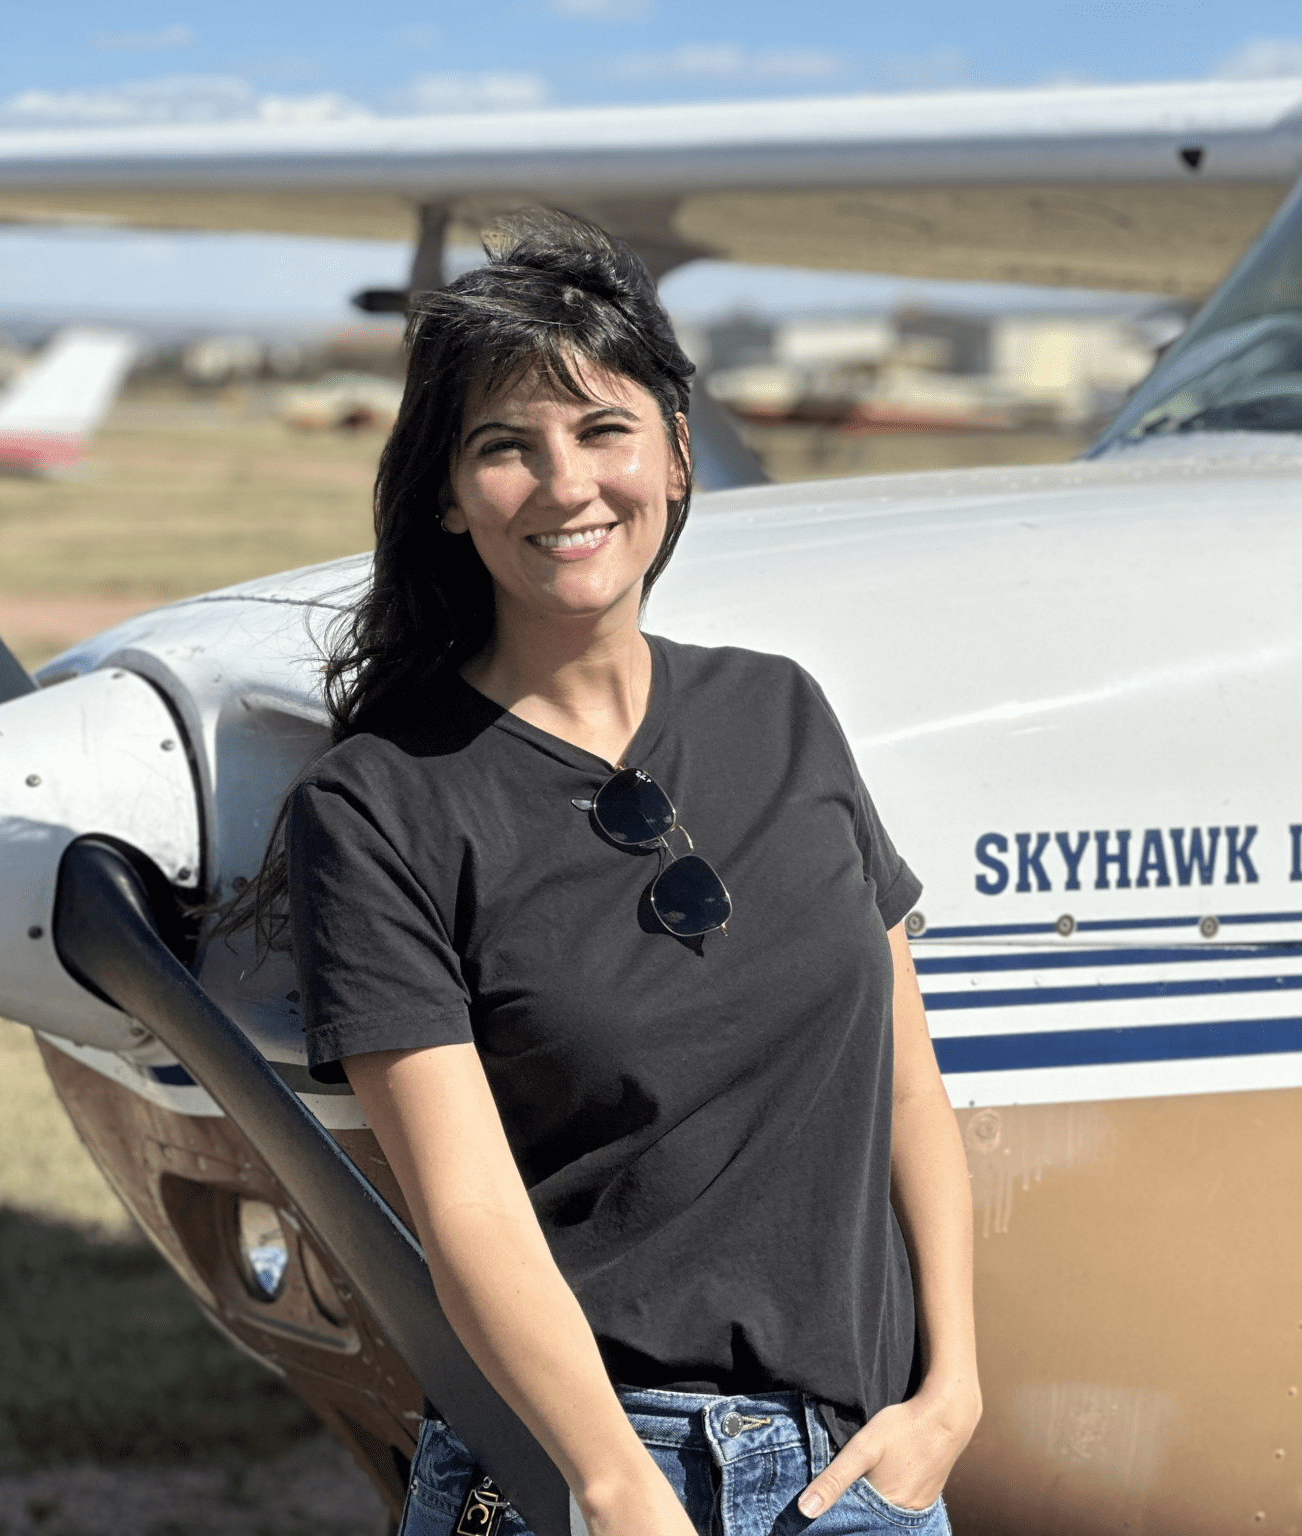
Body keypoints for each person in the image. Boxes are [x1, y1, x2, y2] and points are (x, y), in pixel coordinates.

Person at [280, 213, 980, 1536]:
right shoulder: (379, 802)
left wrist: (951, 1391)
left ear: (673, 448)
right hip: (591, 1472)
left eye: (604, 430)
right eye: (505, 447)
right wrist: (612, 1485)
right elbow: (465, 1203)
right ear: (445, 492)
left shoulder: (784, 715)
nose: (566, 484)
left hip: (865, 1471)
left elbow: (906, 1085)